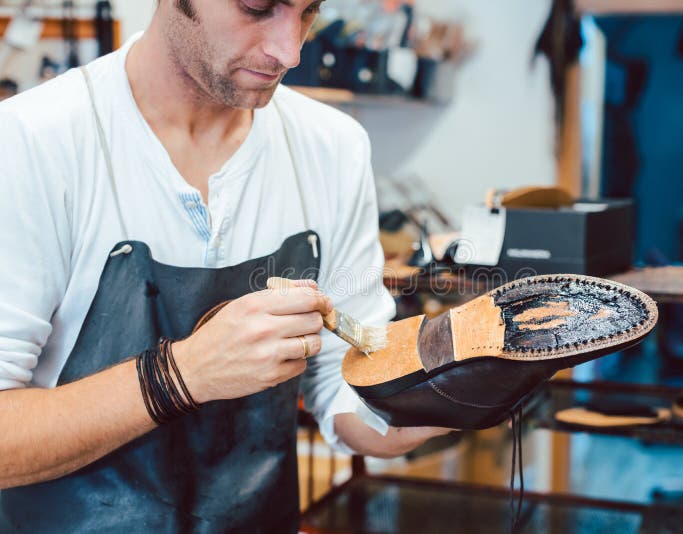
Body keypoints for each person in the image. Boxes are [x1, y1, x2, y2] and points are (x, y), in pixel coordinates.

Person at [0, 0, 449, 531]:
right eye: (257, 7)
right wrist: (182, 375)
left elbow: (342, 384)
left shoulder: (332, 148)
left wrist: (439, 400)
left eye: (308, 13)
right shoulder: (31, 143)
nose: (291, 50)